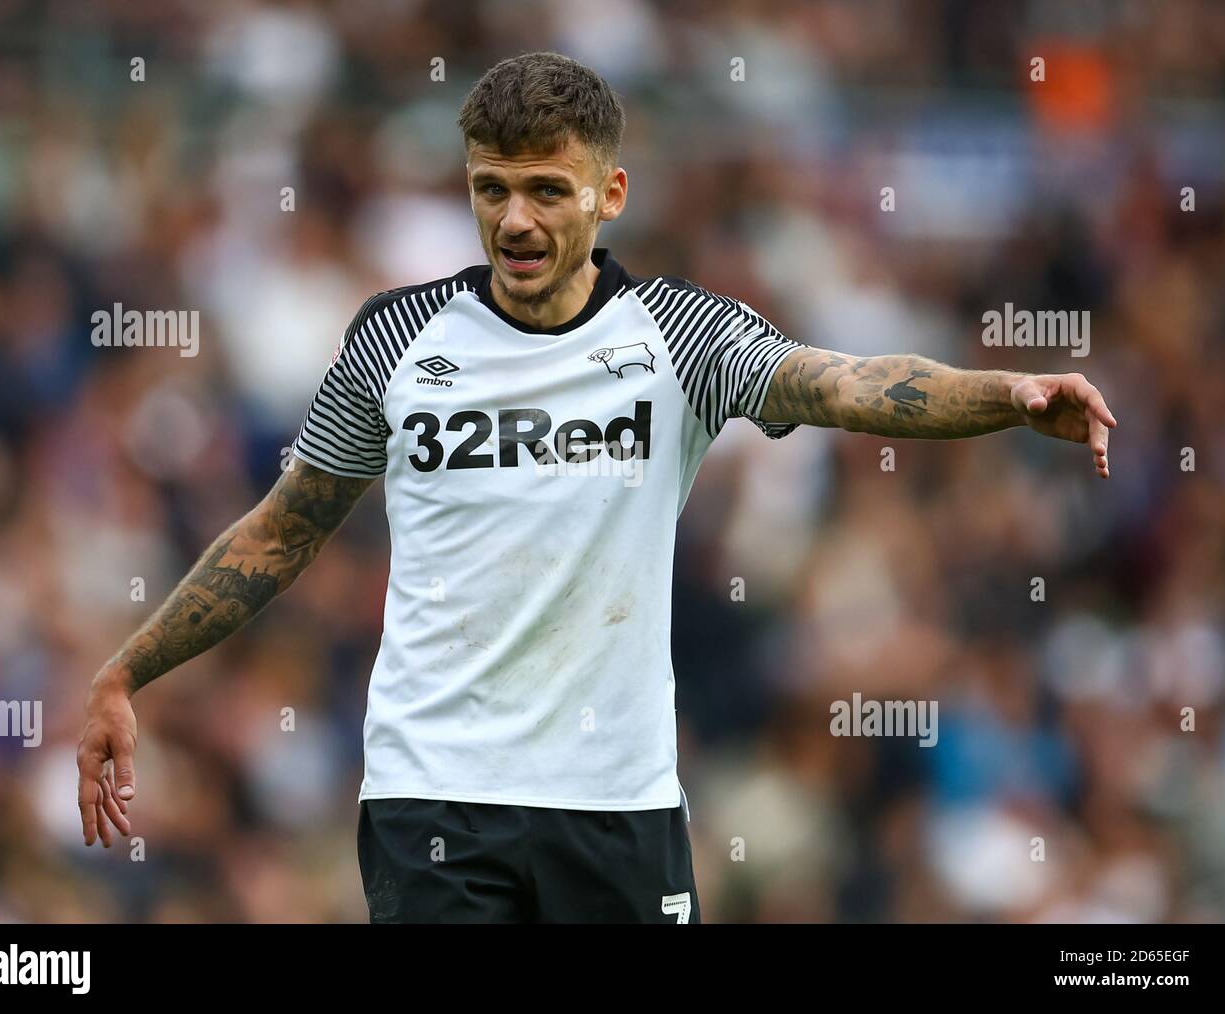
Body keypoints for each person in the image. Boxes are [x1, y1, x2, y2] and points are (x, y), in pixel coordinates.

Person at [77, 51, 1117, 924]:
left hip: (616, 802)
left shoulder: (678, 336)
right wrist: (128, 670)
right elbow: (279, 533)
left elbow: (844, 383)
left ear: (608, 193)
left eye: (545, 189)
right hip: (433, 794)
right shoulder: (396, 338)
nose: (515, 220)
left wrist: (1009, 392)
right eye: (491, 188)